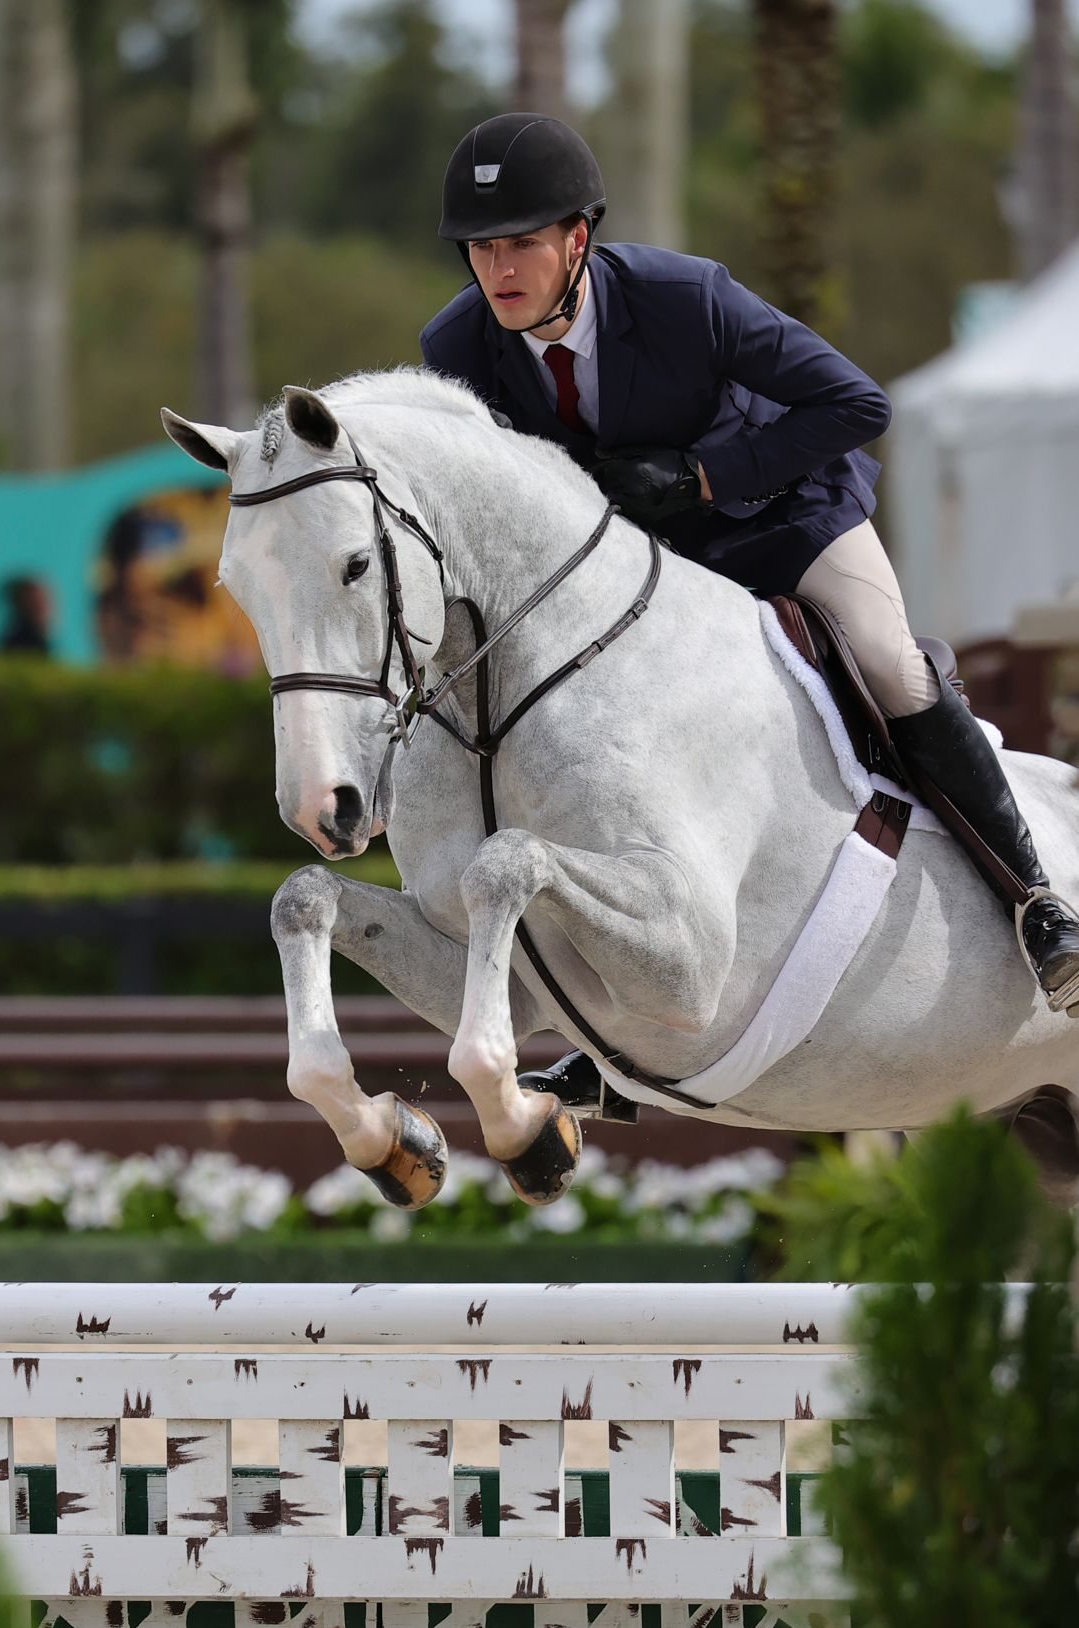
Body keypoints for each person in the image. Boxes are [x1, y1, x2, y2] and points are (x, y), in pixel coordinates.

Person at [419, 112, 1079, 1113]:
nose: (497, 270)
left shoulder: (685, 298)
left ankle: (1039, 905)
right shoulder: (456, 346)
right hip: (655, 569)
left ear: (577, 239)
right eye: (481, 248)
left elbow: (855, 406)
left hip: (783, 515)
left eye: (519, 244)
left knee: (890, 664)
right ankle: (613, 1042)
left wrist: (699, 474)